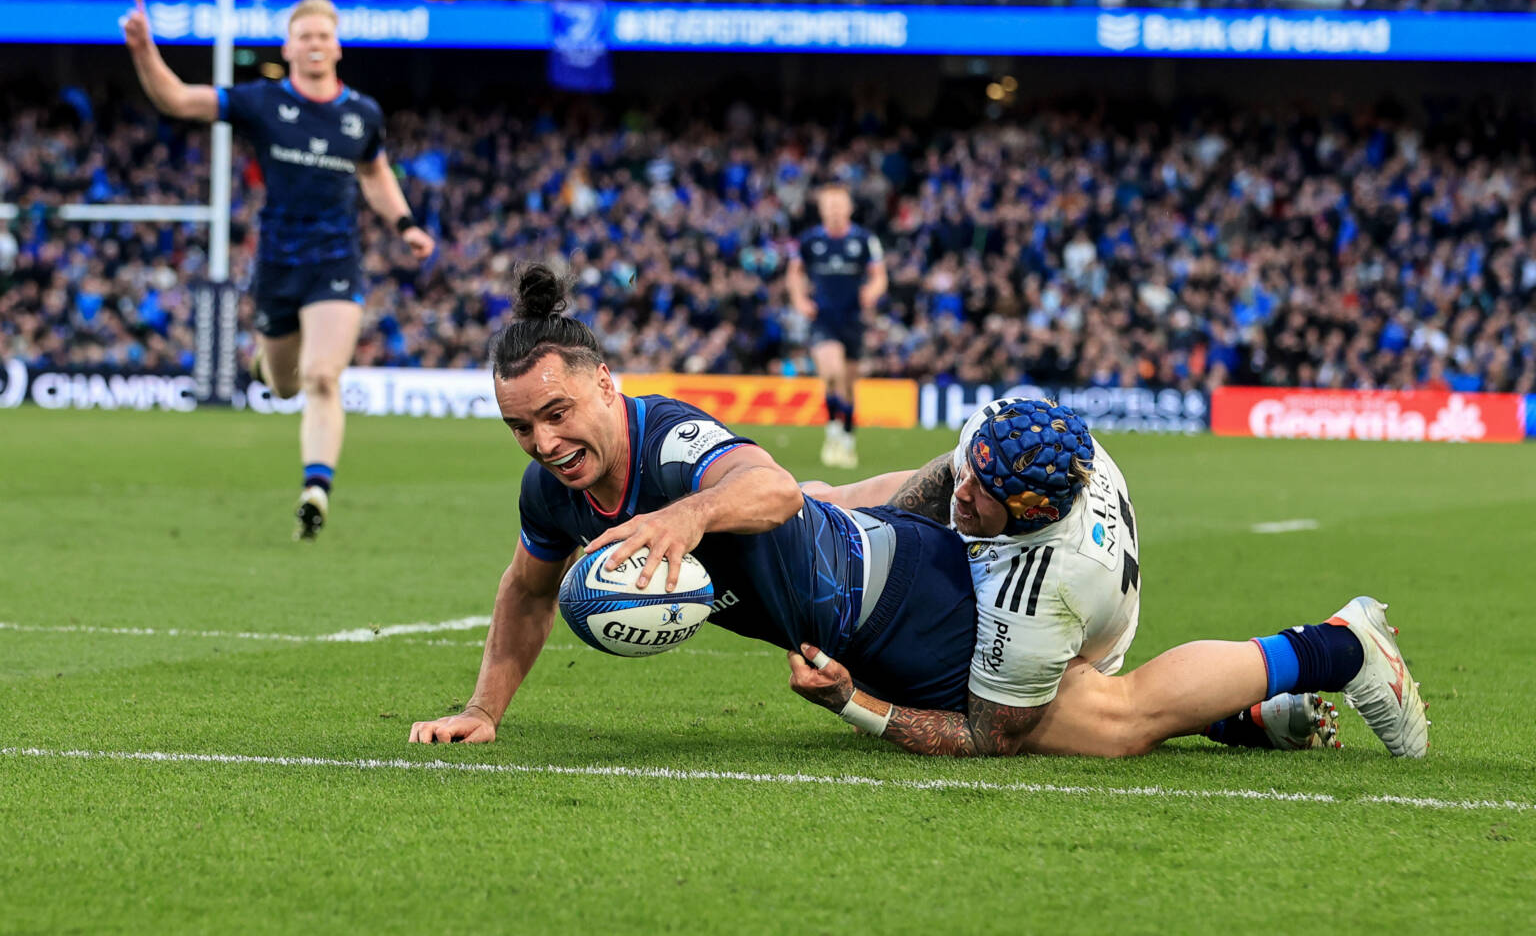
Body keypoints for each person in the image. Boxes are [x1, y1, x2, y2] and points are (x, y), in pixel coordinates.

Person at [407, 264, 976, 745]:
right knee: (826, 499)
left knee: (1037, 726)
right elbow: (528, 592)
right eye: (521, 427)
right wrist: (482, 711)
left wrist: (684, 515)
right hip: (855, 650)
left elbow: (774, 489)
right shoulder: (548, 491)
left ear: (605, 385)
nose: (544, 444)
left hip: (910, 599)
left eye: (557, 414)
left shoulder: (668, 441)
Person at [787, 398, 1430, 758]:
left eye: (986, 493)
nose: (963, 495)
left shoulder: (1042, 594)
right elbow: (929, 490)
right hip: (1062, 558)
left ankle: (1340, 646)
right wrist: (842, 523)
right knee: (844, 505)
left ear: (1033, 510)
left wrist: (856, 704)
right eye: (971, 472)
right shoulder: (1008, 438)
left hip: (1077, 619)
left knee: (1114, 723)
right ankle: (1236, 717)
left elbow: (987, 736)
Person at [121, 0, 435, 540]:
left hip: (336, 260)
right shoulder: (261, 102)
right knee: (287, 383)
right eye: (305, 36)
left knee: (321, 377)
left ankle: (316, 489)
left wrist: (405, 224)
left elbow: (375, 174)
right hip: (277, 264)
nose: (315, 45)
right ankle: (269, 366)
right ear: (288, 47)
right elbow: (177, 100)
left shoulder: (362, 113)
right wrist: (145, 51)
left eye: (323, 36)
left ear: (336, 47)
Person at [785, 183, 886, 469]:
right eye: (829, 206)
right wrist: (799, 299)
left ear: (849, 208)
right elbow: (794, 274)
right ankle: (832, 433)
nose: (835, 211)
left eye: (839, 205)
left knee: (849, 385)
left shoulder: (865, 240)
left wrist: (873, 291)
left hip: (852, 320)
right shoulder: (809, 241)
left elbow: (879, 276)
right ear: (821, 210)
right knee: (832, 371)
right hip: (823, 319)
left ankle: (847, 437)